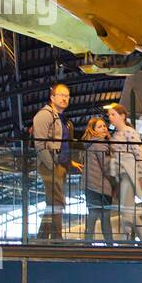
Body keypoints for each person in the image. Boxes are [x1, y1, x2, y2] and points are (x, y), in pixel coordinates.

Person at [31, 83, 72, 239]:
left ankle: (42, 237)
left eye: (67, 96)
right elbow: (40, 144)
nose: (65, 98)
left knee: (54, 202)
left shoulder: (59, 117)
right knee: (57, 202)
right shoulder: (44, 115)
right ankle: (57, 238)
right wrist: (51, 164)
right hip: (51, 165)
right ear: (52, 97)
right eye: (61, 95)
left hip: (59, 165)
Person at [105, 102, 142, 242]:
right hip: (121, 174)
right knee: (128, 207)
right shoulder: (117, 134)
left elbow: (139, 154)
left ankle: (126, 238)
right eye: (109, 115)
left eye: (113, 114)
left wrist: (140, 176)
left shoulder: (129, 132)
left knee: (126, 208)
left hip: (128, 172)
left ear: (122, 116)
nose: (110, 117)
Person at [81, 117, 113, 243]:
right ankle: (109, 245)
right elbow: (106, 166)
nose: (104, 128)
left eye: (104, 126)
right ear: (93, 130)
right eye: (99, 127)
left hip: (91, 185)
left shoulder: (91, 144)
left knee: (94, 215)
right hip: (100, 186)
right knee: (104, 216)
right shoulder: (100, 144)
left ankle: (88, 243)